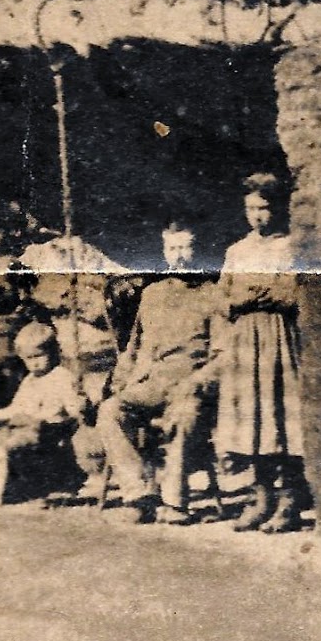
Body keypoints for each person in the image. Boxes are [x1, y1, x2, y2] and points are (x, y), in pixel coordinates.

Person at [96, 224, 221, 523]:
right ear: (165, 253)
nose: (179, 257)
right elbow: (133, 349)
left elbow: (223, 355)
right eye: (172, 249)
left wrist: (198, 382)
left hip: (192, 385)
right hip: (151, 384)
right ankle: (139, 494)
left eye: (185, 248)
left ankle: (175, 502)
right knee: (110, 411)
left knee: (185, 414)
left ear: (198, 251)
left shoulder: (214, 294)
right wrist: (120, 382)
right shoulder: (152, 294)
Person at [215, 172, 309, 533]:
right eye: (250, 208)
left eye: (264, 208)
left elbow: (295, 293)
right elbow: (222, 298)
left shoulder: (291, 248)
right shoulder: (237, 251)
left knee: (280, 419)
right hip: (244, 344)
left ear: (278, 208)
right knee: (252, 420)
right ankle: (261, 496)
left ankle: (290, 501)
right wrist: (241, 298)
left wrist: (266, 294)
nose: (257, 216)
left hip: (279, 340)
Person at [0, 321, 91, 509]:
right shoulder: (29, 380)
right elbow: (15, 409)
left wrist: (70, 410)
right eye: (28, 359)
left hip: (43, 431)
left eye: (39, 356)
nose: (34, 363)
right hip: (16, 428)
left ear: (53, 352)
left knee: (0, 451)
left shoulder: (62, 377)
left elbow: (72, 411)